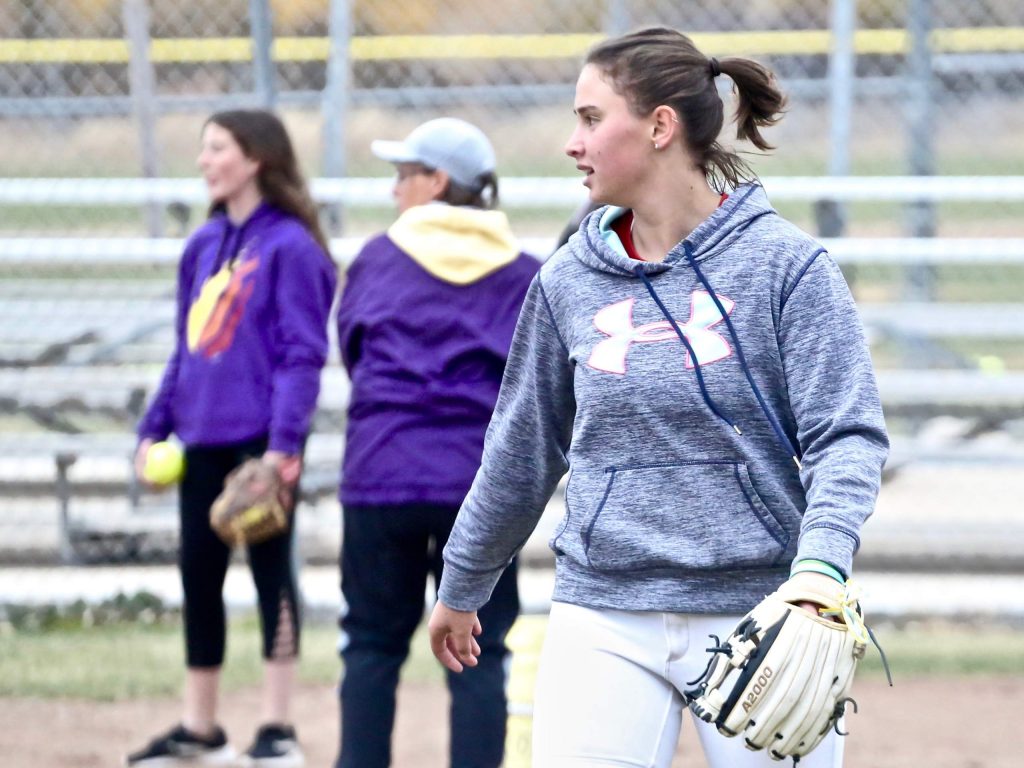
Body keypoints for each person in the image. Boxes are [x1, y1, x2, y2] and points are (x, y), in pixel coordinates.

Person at [428, 27, 889, 768]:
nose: (572, 143)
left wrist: (820, 571)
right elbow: (521, 451)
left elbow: (848, 436)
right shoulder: (566, 280)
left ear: (659, 126)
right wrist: (463, 582)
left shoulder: (788, 267)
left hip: (764, 610)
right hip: (602, 606)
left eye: (590, 118)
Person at [125, 109, 337, 768]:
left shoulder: (292, 247)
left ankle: (277, 728)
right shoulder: (204, 244)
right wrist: (153, 428)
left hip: (260, 446)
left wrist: (282, 449)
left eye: (217, 148)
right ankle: (202, 728)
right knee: (199, 577)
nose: (204, 161)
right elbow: (185, 350)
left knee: (273, 578)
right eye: (204, 148)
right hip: (199, 438)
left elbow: (302, 356)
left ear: (256, 159)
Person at [334, 117, 540, 768]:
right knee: (480, 652)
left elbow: (352, 348)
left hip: (382, 472)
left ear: (438, 182)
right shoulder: (524, 273)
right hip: (480, 486)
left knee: (370, 643)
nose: (394, 190)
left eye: (404, 175)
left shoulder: (377, 259)